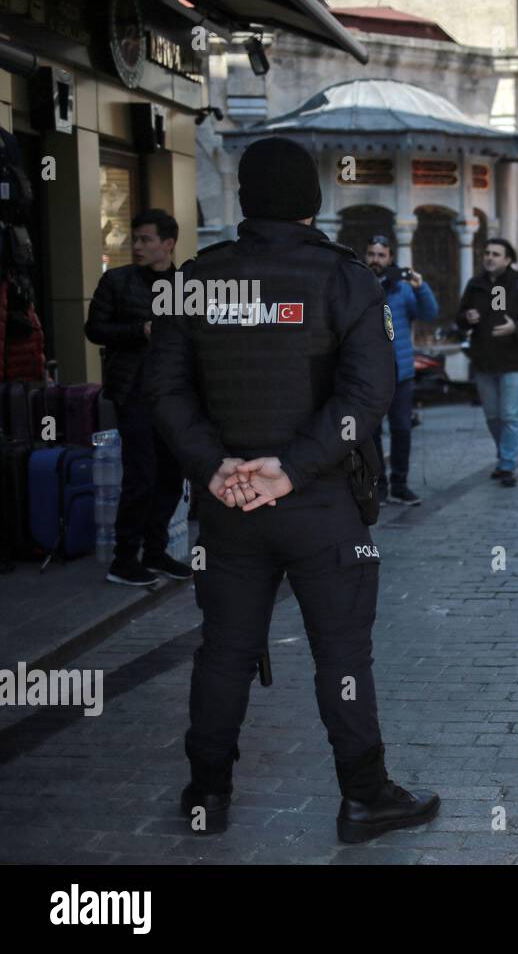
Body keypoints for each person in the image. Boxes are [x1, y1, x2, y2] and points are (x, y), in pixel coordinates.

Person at [145, 136, 439, 843]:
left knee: (224, 652)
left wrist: (216, 467)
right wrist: (292, 468)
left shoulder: (200, 279)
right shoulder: (345, 280)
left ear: (245, 198)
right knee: (341, 655)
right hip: (320, 506)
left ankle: (206, 794)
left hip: (228, 509)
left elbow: (165, 390)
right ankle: (365, 797)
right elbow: (368, 392)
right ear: (311, 199)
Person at [85, 209, 191, 587]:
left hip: (175, 398)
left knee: (170, 477)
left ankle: (156, 551)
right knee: (141, 476)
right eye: (136, 239)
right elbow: (95, 329)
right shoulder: (116, 281)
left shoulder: (186, 285)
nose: (139, 246)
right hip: (133, 392)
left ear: (168, 243)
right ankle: (124, 559)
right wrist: (139, 330)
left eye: (146, 239)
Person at [455, 237, 518, 488]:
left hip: (513, 361)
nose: (489, 257)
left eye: (495, 254)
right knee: (493, 417)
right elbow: (460, 316)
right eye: (487, 253)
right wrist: (466, 317)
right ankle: (504, 455)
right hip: (484, 360)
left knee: (510, 415)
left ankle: (507, 464)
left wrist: (516, 327)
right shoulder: (475, 285)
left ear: (507, 259)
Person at [363, 236, 438, 507]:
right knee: (370, 434)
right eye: (371, 254)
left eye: (381, 255)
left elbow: (430, 314)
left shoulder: (403, 289)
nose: (375, 260)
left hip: (400, 373)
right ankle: (378, 487)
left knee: (402, 429)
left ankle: (400, 485)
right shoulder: (360, 284)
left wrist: (421, 287)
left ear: (390, 258)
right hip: (368, 373)